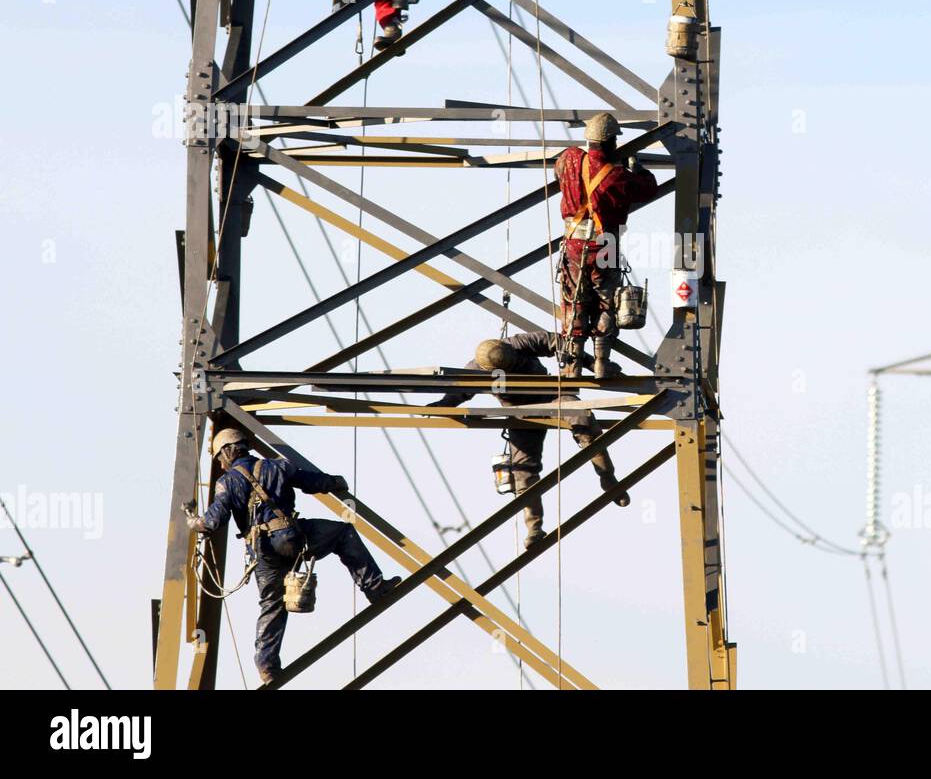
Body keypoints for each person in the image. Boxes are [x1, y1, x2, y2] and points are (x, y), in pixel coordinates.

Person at [185, 425, 401, 683]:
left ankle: (267, 667)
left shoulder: (227, 483)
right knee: (343, 533)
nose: (220, 464)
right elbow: (312, 482)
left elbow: (212, 521)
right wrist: (336, 481)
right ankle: (375, 588)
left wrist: (193, 521)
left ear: (228, 452)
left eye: (220, 458)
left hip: (263, 552)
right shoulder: (277, 467)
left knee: (271, 605)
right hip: (293, 538)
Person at [428, 332, 630, 549]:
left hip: (552, 396)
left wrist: (594, 364)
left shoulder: (520, 343)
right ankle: (534, 527)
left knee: (584, 420)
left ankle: (608, 478)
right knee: (523, 469)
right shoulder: (476, 369)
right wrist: (443, 404)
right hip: (520, 413)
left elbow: (561, 342)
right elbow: (459, 392)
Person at [554, 113, 658, 378]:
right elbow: (648, 188)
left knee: (573, 299)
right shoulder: (619, 176)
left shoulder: (570, 159)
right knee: (605, 301)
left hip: (574, 241)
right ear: (612, 142)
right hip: (606, 243)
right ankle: (601, 363)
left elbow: (559, 172)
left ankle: (573, 365)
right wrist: (639, 169)